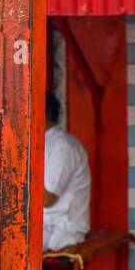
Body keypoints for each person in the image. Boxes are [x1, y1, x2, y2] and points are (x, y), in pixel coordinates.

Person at [43, 92, 92, 251]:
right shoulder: (46, 142)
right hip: (47, 226)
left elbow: (47, 199)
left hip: (64, 230)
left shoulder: (62, 146)